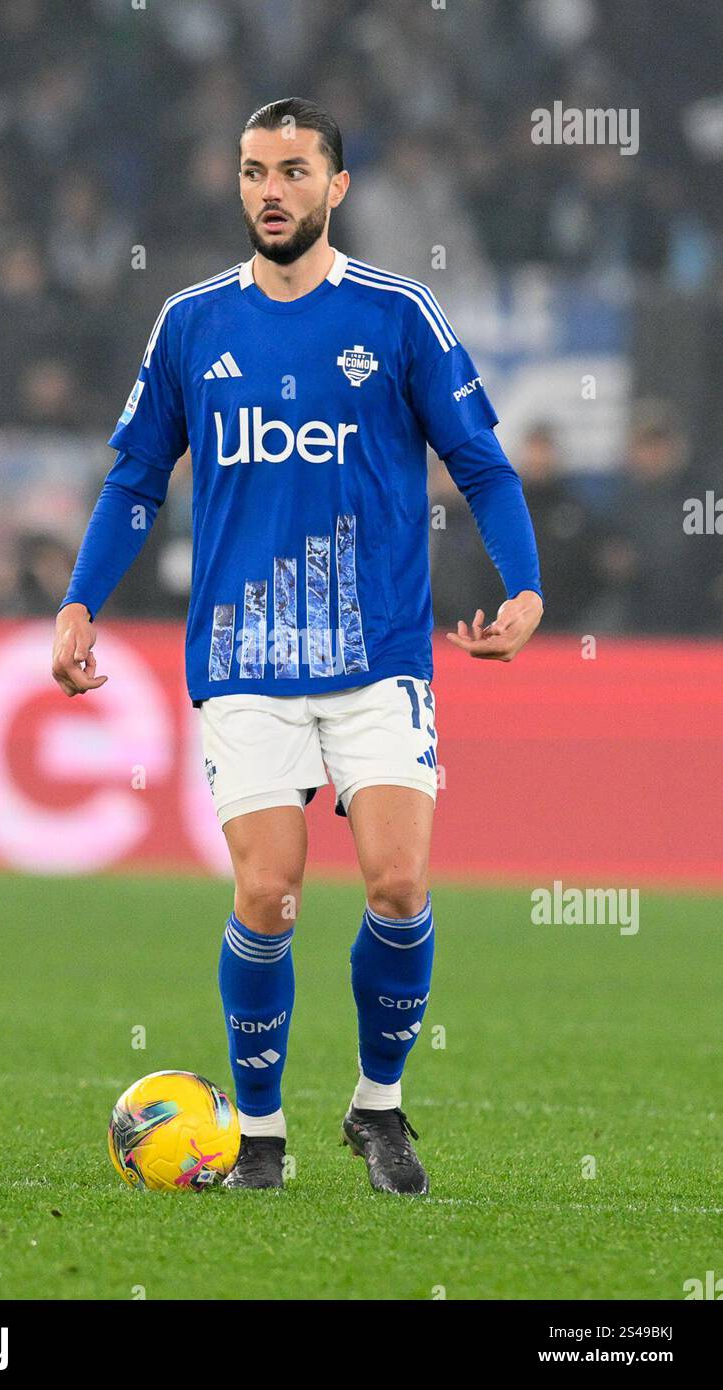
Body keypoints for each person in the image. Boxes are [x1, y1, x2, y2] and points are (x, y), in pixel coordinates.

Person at [52, 98, 543, 1194]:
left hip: (377, 654)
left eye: (289, 169)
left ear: (336, 187)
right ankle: (259, 1133)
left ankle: (378, 1108)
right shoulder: (189, 323)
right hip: (242, 656)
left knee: (398, 884)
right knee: (269, 894)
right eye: (249, 170)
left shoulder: (398, 313)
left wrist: (524, 588)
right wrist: (82, 599)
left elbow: (482, 465)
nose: (267, 189)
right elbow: (135, 476)